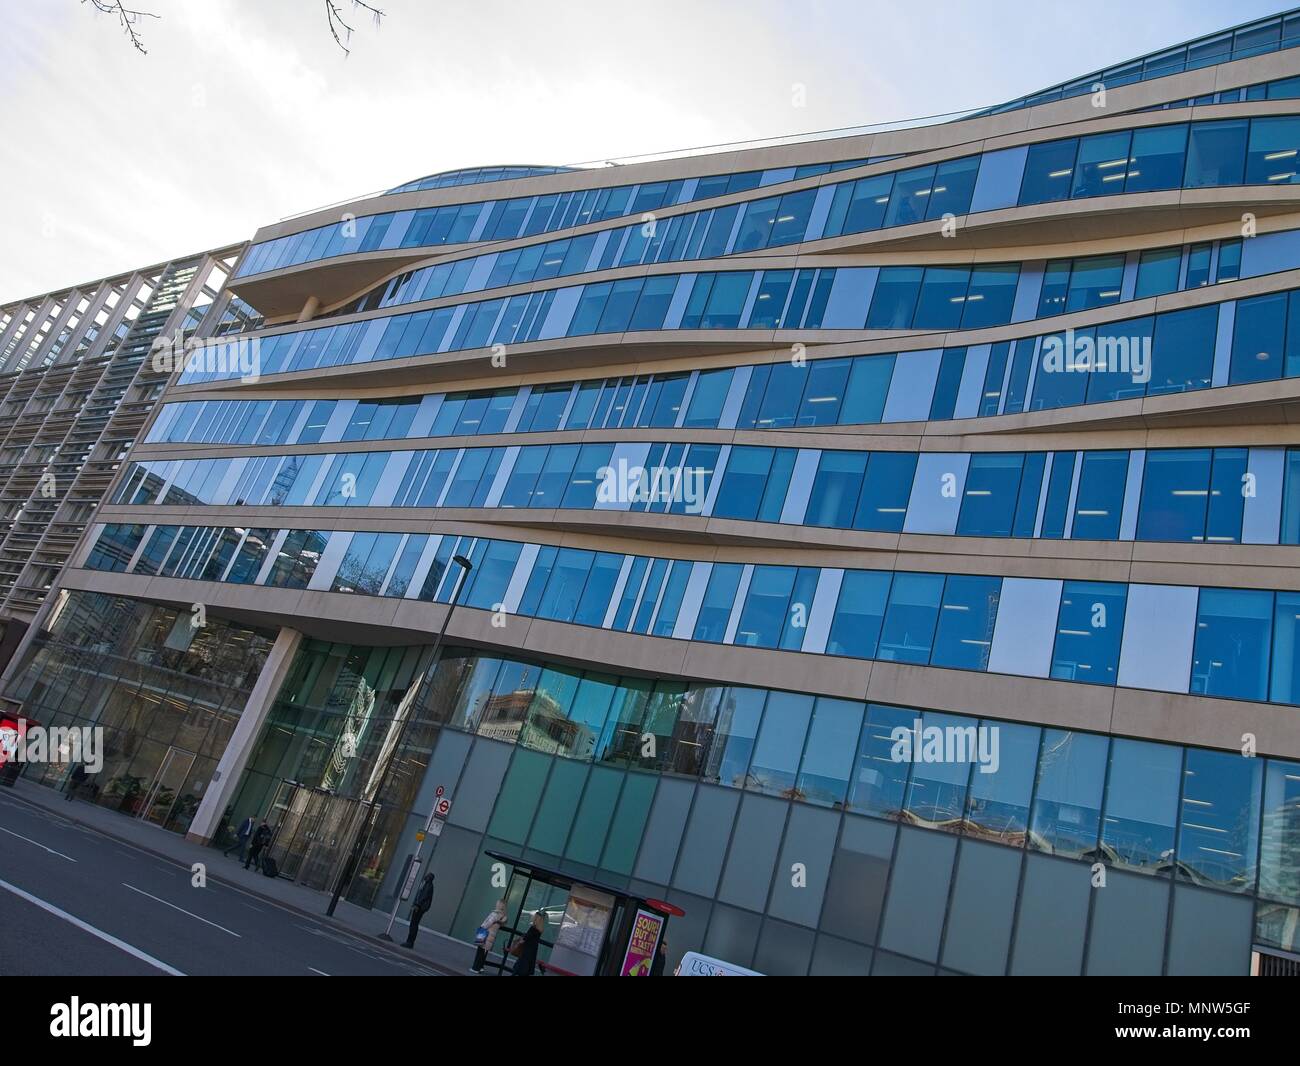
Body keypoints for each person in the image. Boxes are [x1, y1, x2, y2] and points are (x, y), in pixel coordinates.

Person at [471, 899, 507, 973]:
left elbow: (488, 923)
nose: (496, 904)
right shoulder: (503, 916)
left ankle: (475, 968)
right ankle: (481, 967)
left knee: (480, 951)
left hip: (485, 934)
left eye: (497, 903)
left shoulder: (495, 914)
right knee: (484, 952)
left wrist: (481, 927)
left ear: (499, 905)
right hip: (492, 935)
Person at [403, 873, 435, 949]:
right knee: (414, 924)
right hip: (420, 907)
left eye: (427, 876)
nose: (425, 877)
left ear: (429, 878)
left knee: (413, 924)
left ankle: (409, 942)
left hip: (419, 908)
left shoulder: (428, 886)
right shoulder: (427, 885)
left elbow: (423, 896)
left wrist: (416, 905)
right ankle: (410, 942)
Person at [511, 910, 545, 977]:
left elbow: (526, 938)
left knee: (519, 968)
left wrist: (519, 940)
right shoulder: (540, 930)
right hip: (532, 951)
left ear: (535, 919)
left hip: (526, 951)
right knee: (525, 969)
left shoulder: (533, 928)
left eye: (533, 917)